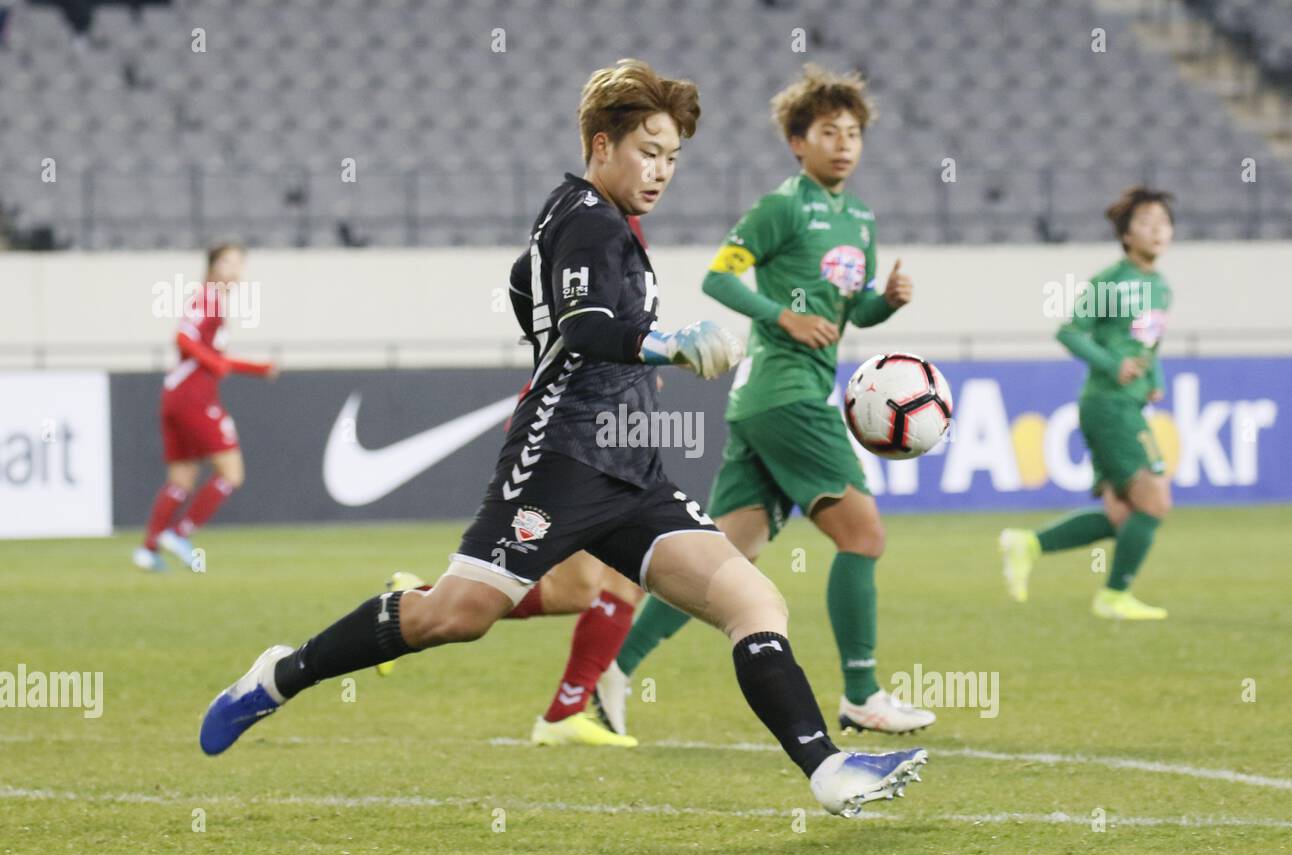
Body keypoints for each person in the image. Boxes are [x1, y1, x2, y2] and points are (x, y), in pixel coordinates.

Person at [198, 59, 926, 816]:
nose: (662, 171)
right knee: (453, 615)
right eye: (649, 151)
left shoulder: (596, 222)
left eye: (673, 157)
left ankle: (828, 768)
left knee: (755, 600)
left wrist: (577, 339)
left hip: (632, 473)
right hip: (560, 462)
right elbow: (584, 327)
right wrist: (665, 344)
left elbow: (527, 282)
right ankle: (278, 677)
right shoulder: (585, 217)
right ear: (601, 143)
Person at [590, 64, 934, 739]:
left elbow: (849, 311)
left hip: (769, 403)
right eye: (828, 132)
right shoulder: (784, 206)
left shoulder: (859, 219)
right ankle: (862, 693)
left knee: (722, 560)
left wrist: (883, 304)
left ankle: (615, 667)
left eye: (854, 133)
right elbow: (721, 277)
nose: (843, 143)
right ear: (797, 143)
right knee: (863, 535)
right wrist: (783, 317)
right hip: (787, 395)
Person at [1000, 187, 1175, 620]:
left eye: (1163, 222)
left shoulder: (1160, 287)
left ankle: (1028, 544)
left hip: (1130, 405)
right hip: (1108, 404)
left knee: (1122, 514)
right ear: (1125, 234)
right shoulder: (1111, 282)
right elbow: (1070, 331)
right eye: (1146, 222)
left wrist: (1155, 378)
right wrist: (1114, 365)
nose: (1157, 230)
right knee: (1154, 500)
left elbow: (1149, 344)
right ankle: (1114, 595)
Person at [134, 242, 276, 572]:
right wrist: (212, 360)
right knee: (232, 472)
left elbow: (216, 361)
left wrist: (256, 369)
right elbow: (183, 338)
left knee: (181, 479)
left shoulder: (213, 302)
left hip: (175, 397)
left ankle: (147, 549)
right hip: (193, 398)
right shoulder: (207, 298)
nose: (235, 269)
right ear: (213, 266)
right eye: (229, 261)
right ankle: (178, 534)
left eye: (239, 262)